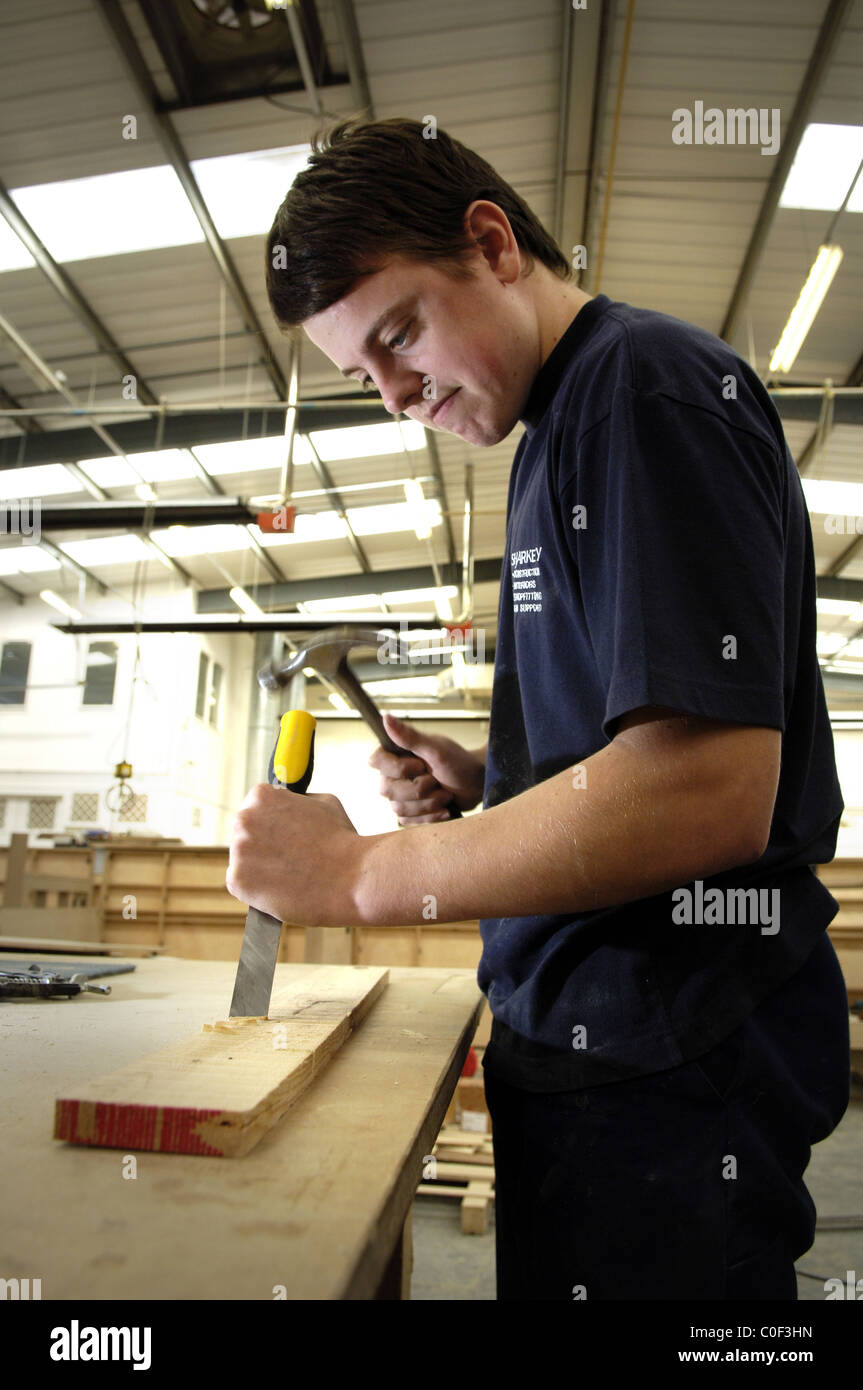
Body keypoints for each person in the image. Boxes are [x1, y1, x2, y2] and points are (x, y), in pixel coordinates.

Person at [227, 117, 850, 1300]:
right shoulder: (560, 428)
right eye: (365, 374)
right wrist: (484, 780)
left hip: (669, 1035)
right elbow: (628, 750)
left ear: (491, 242)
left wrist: (367, 872)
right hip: (606, 1030)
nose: (397, 395)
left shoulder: (639, 391)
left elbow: (705, 789)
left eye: (399, 335)